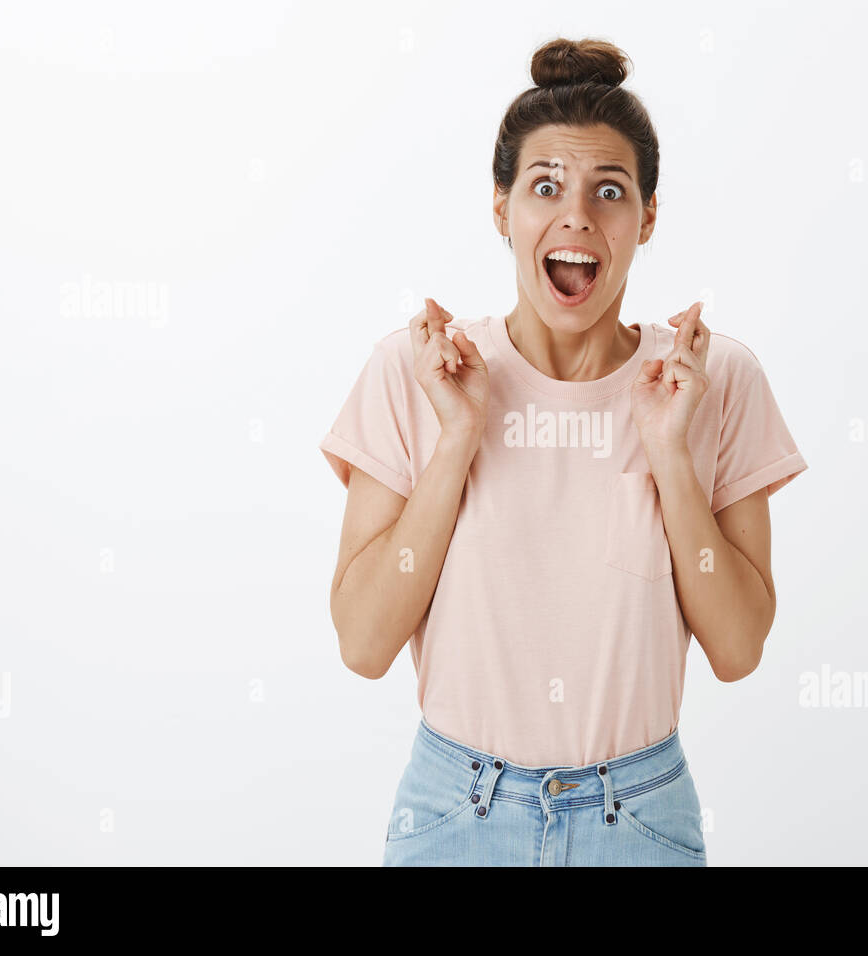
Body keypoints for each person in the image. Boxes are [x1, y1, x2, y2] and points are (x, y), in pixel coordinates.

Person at [319, 37, 808, 866]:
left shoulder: (713, 380)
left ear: (647, 216)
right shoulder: (419, 373)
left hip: (641, 819)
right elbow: (363, 645)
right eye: (545, 186)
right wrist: (458, 440)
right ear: (503, 207)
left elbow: (737, 649)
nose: (576, 215)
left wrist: (671, 455)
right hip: (454, 816)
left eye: (608, 191)